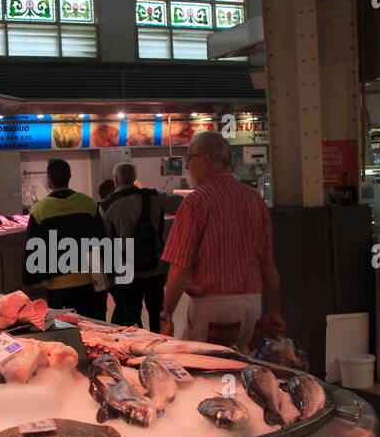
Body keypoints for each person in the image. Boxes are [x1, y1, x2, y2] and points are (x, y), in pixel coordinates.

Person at [160, 131, 284, 348]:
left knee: (202, 371)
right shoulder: (255, 199)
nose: (188, 166)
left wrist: (167, 314)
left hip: (212, 308)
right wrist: (274, 310)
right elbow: (267, 264)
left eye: (190, 159)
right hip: (252, 306)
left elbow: (180, 267)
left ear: (206, 159)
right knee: (240, 368)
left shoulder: (196, 202)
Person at [22, 157, 107, 319]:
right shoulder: (87, 203)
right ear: (69, 177)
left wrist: (29, 281)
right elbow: (102, 240)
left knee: (64, 328)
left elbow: (32, 247)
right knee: (90, 326)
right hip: (87, 281)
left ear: (49, 179)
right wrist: (108, 275)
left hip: (57, 285)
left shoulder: (40, 209)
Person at [103, 162, 173, 329]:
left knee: (131, 317)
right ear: (135, 178)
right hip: (156, 267)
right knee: (157, 312)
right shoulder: (155, 197)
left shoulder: (107, 206)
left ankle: (137, 348)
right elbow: (184, 204)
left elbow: (104, 241)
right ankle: (159, 347)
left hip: (127, 271)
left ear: (116, 180)